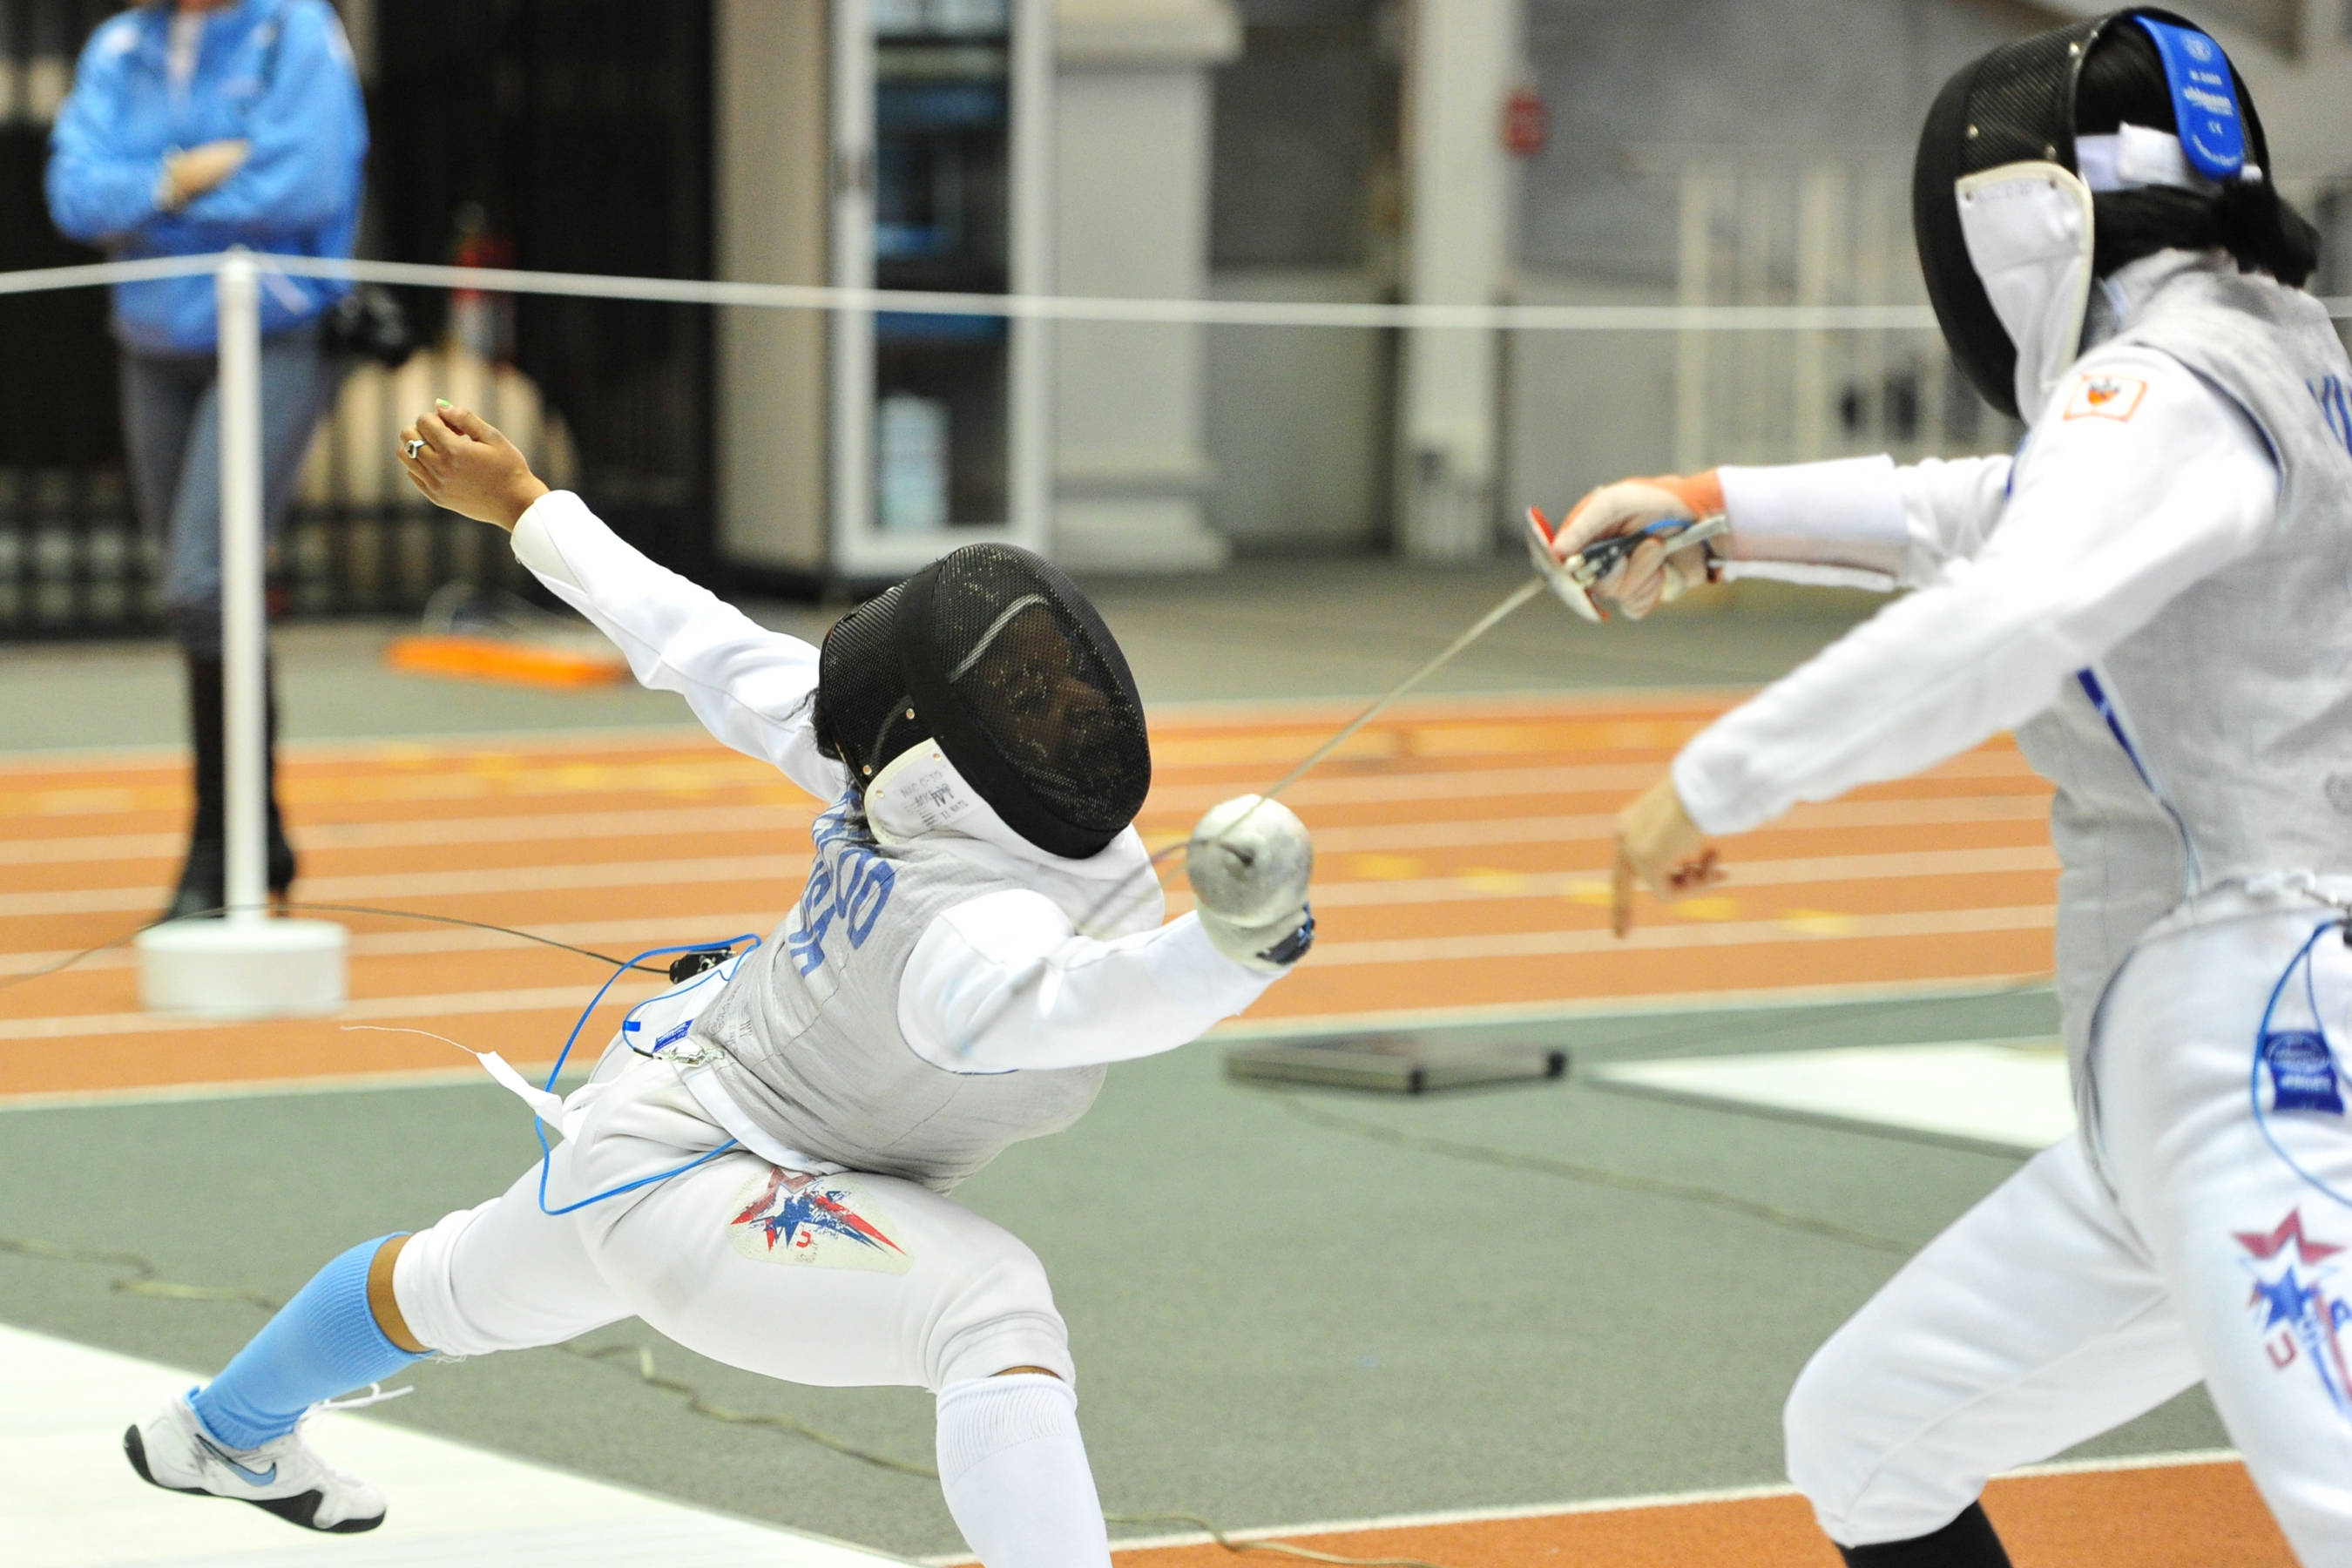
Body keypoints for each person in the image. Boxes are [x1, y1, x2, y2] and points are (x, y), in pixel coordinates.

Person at [120, 402, 1317, 1567]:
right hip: (705, 1169)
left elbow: (695, 641)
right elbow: (1090, 1000)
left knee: (452, 1281)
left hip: (671, 1108)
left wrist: (528, 508)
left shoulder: (912, 773)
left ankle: (215, 1434)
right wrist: (1230, 946)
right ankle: (223, 1430)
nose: (1042, 698)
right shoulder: (967, 903)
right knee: (993, 1312)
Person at [1531, 10, 2351, 1563]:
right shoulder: (2255, 360)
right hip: (2171, 1079)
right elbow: (1997, 514)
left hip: (2257, 1042)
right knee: (1871, 1432)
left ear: (2034, 218)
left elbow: (2011, 607)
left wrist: (1719, 781)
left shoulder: (2169, 387)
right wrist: (1714, 513)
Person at [45, 0, 368, 918]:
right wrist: (189, 176)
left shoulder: (295, 28)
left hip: (270, 330)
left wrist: (148, 197)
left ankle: (213, 848)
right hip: (152, 339)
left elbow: (303, 184)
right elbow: (72, 195)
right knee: (201, 597)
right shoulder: (119, 42)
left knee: (202, 580)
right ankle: (256, 834)